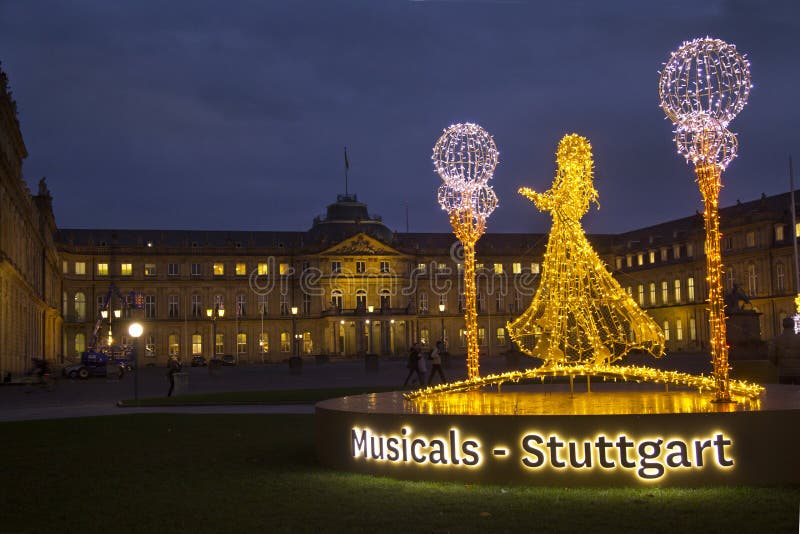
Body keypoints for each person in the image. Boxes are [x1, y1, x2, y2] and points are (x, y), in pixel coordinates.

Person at [768, 317, 800, 384]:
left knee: (784, 392)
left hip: (783, 371)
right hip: (798, 371)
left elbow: (771, 354)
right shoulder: (798, 338)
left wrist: (777, 364)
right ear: (793, 325)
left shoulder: (777, 339)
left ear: (783, 325)